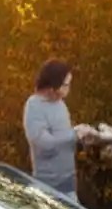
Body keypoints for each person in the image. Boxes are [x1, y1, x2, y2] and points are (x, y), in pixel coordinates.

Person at [23, 59, 93, 201]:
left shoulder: (61, 105)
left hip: (69, 184)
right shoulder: (34, 107)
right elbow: (44, 144)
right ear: (52, 86)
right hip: (48, 187)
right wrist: (74, 134)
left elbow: (64, 140)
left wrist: (82, 140)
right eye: (66, 85)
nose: (69, 88)